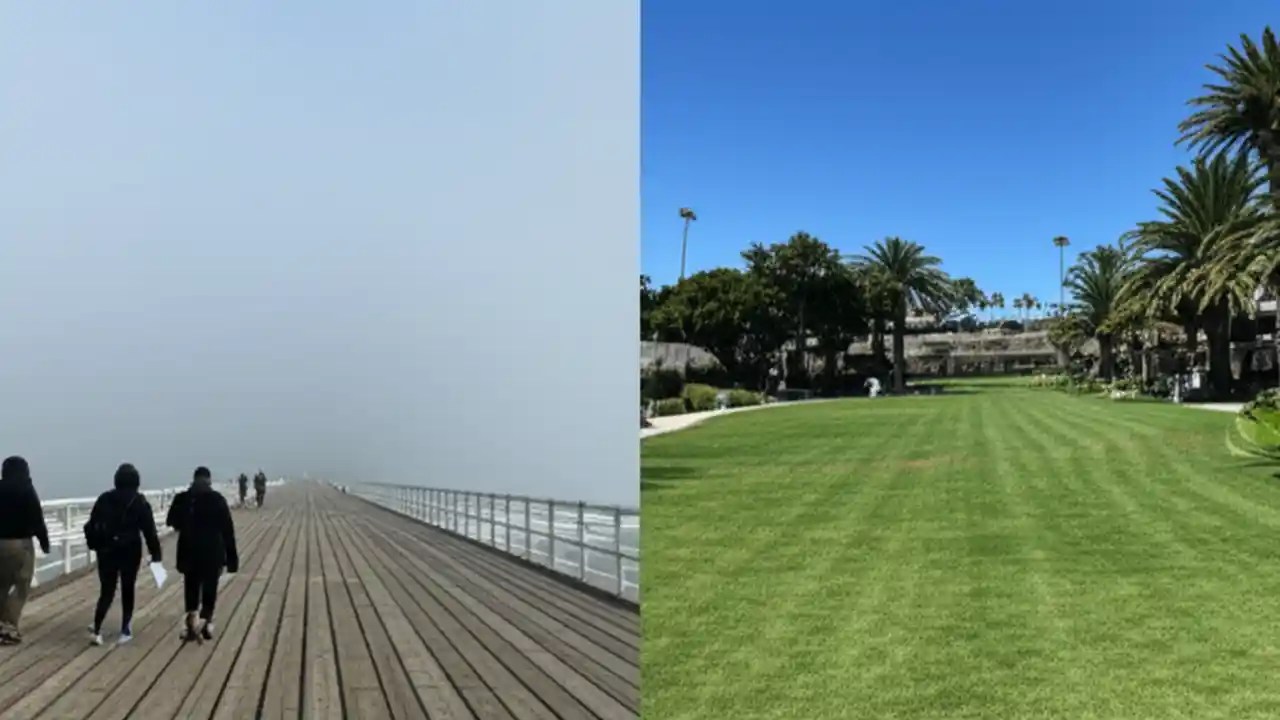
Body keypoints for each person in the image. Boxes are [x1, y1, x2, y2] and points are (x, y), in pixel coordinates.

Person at [85, 463, 163, 646]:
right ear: (136, 482)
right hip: (130, 550)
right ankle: (126, 629)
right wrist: (156, 554)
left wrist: (95, 544)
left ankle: (97, 629)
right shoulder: (140, 502)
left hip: (107, 550)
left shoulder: (105, 499)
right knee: (128, 588)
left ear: (116, 480)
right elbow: (149, 531)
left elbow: (92, 524)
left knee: (107, 590)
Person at [166, 466, 238, 643]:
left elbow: (171, 521)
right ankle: (206, 621)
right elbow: (228, 531)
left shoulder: (183, 499)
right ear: (209, 480)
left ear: (194, 479)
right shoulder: (217, 499)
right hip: (213, 552)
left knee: (191, 588)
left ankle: (191, 623)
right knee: (209, 589)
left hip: (189, 552)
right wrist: (232, 559)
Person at [0, 456, 50, 645]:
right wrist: (44, 542)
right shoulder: (26, 489)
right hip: (20, 544)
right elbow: (37, 520)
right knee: (21, 585)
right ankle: (8, 628)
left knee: (1, 585)